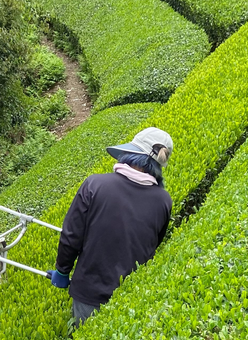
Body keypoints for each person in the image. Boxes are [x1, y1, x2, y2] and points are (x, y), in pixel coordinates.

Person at [47, 127, 174, 326]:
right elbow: (153, 245)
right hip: (132, 297)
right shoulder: (163, 201)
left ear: (131, 155)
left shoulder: (95, 184)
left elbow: (71, 236)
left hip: (89, 294)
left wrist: (62, 271)